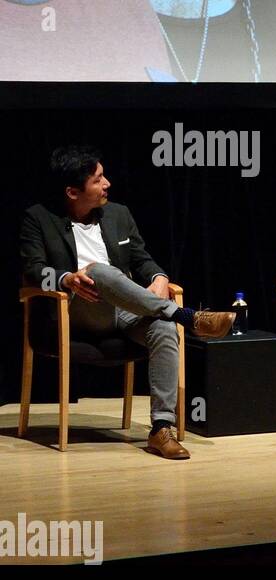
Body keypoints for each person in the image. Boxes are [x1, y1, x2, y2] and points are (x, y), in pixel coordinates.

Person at [19, 146, 235, 459]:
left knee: (162, 328)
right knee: (98, 271)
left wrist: (159, 276)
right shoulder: (38, 218)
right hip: (74, 309)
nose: (107, 183)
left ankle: (161, 428)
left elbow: (141, 260)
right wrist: (67, 279)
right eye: (98, 179)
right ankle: (187, 316)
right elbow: (33, 269)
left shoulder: (118, 214)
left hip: (126, 310)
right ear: (72, 192)